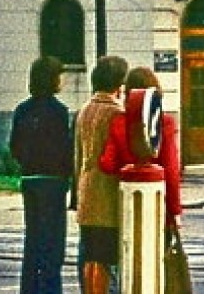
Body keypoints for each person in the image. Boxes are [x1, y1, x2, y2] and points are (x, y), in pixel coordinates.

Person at [9, 57, 73, 294]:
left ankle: (29, 288)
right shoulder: (58, 112)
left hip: (29, 180)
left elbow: (14, 146)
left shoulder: (22, 110)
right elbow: (64, 149)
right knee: (52, 244)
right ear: (53, 79)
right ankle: (50, 289)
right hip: (53, 181)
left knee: (33, 241)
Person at [98, 67, 182, 232]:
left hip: (127, 203)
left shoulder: (118, 122)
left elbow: (107, 164)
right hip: (157, 202)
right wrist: (175, 210)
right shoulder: (165, 123)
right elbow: (171, 170)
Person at [72, 55, 127, 294]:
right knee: (109, 260)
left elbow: (77, 155)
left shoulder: (84, 111)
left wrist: (76, 193)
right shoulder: (117, 114)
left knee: (87, 254)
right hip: (109, 197)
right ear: (118, 84)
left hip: (86, 194)